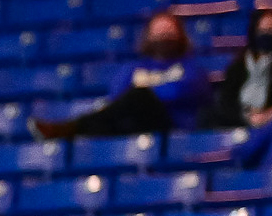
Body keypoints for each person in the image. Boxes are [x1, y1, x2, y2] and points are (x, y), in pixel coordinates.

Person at [31, 12, 209, 139]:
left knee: (140, 95)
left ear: (180, 36)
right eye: (159, 32)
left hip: (172, 129)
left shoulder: (190, 67)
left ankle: (71, 128)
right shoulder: (133, 68)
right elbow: (116, 98)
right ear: (148, 36)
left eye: (168, 32)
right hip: (132, 126)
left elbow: (182, 92)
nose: (163, 36)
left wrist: (148, 94)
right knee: (108, 123)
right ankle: (71, 132)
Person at [208, 11, 272, 130]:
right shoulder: (238, 64)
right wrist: (247, 115)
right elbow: (227, 100)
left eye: (271, 30)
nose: (266, 34)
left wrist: (266, 116)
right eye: (262, 30)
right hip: (241, 119)